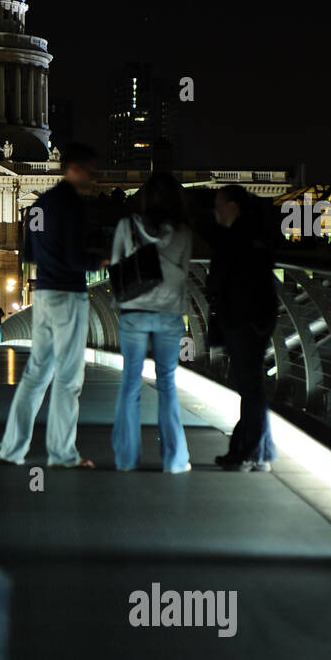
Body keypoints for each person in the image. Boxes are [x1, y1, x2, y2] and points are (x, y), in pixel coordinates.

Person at [0, 143, 105, 468]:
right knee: (69, 377)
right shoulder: (72, 206)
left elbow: (28, 253)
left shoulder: (40, 205)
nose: (93, 176)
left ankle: (10, 450)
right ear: (75, 168)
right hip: (68, 294)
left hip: (42, 294)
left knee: (36, 374)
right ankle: (62, 453)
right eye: (90, 169)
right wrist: (101, 259)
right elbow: (74, 257)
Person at [110, 172, 193, 473]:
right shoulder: (183, 232)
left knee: (130, 383)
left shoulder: (126, 225)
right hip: (170, 313)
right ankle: (175, 459)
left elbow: (117, 265)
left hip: (133, 311)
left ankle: (127, 458)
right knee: (167, 384)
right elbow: (184, 272)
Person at [206, 184, 278, 472]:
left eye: (219, 205)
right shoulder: (256, 234)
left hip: (243, 320)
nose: (216, 211)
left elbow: (231, 280)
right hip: (254, 318)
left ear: (233, 205)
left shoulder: (237, 237)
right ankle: (258, 451)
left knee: (250, 388)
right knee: (251, 387)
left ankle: (248, 452)